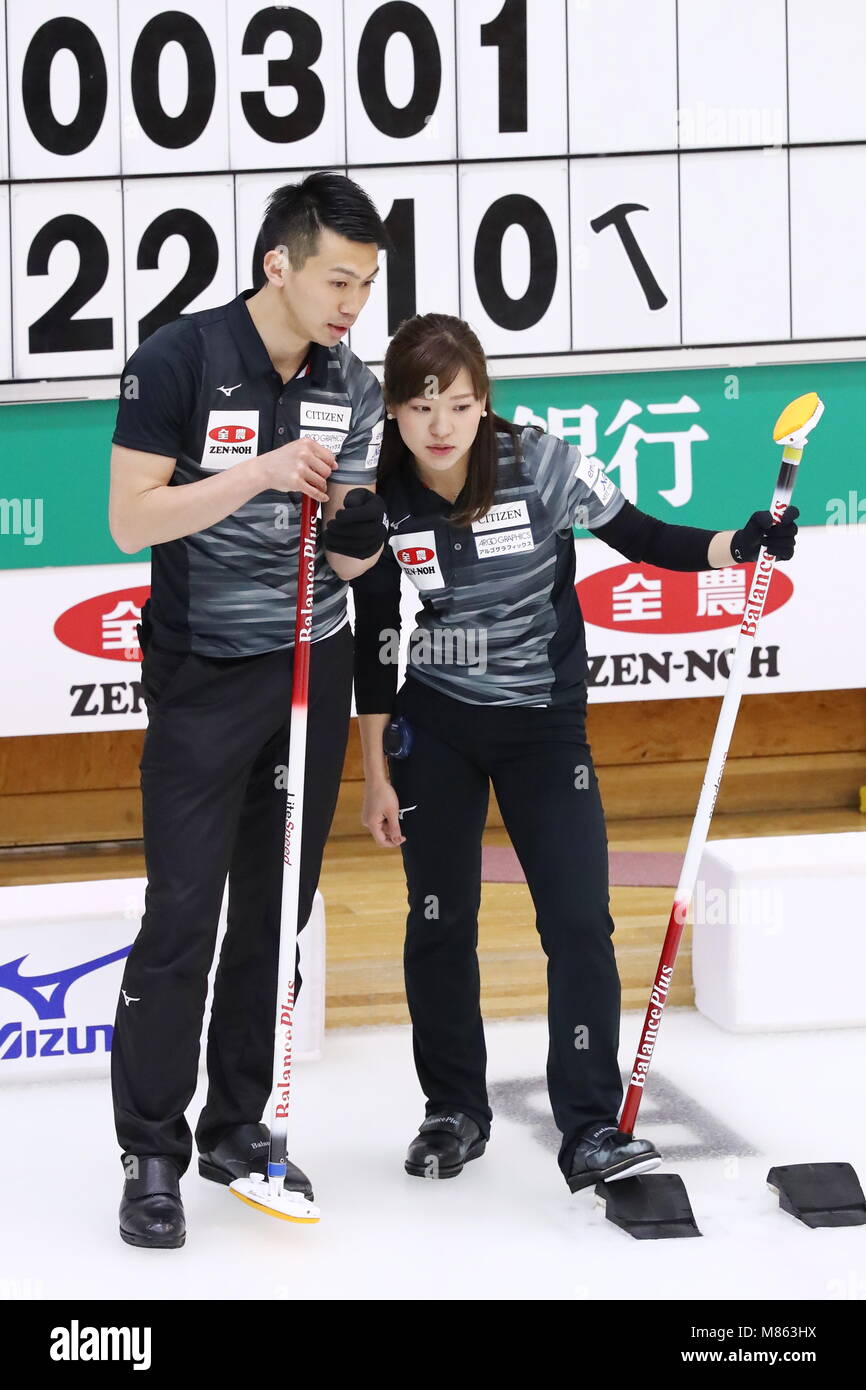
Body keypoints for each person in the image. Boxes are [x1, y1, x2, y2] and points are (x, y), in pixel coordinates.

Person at [351, 313, 798, 1195]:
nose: (441, 426)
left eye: (461, 404)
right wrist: (375, 773)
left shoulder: (542, 463)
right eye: (421, 406)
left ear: (486, 407)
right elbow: (374, 637)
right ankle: (453, 1110)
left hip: (544, 726)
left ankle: (590, 1126)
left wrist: (736, 546)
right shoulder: (380, 493)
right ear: (395, 413)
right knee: (438, 922)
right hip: (435, 720)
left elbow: (644, 537)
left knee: (578, 923)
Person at [108, 172, 391, 1248]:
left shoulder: (351, 385)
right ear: (278, 262)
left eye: (364, 286)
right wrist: (266, 474)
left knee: (278, 909)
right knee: (182, 913)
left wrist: (358, 522)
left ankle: (236, 1128)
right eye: (335, 278)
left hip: (307, 671)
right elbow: (131, 518)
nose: (349, 304)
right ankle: (150, 1150)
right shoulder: (178, 359)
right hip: (201, 671)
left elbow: (357, 553)